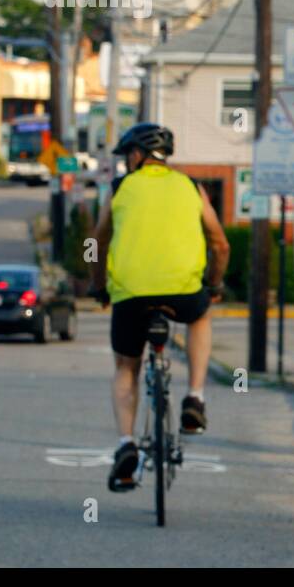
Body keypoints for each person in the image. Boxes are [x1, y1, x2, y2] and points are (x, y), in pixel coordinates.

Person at [88, 123, 231, 492]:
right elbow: (220, 243)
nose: (125, 165)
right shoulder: (191, 187)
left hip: (131, 295)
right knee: (201, 316)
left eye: (127, 157)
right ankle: (195, 397)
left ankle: (126, 443)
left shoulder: (120, 190)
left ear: (137, 155)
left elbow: (97, 242)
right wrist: (214, 284)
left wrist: (98, 285)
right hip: (183, 293)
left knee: (126, 367)